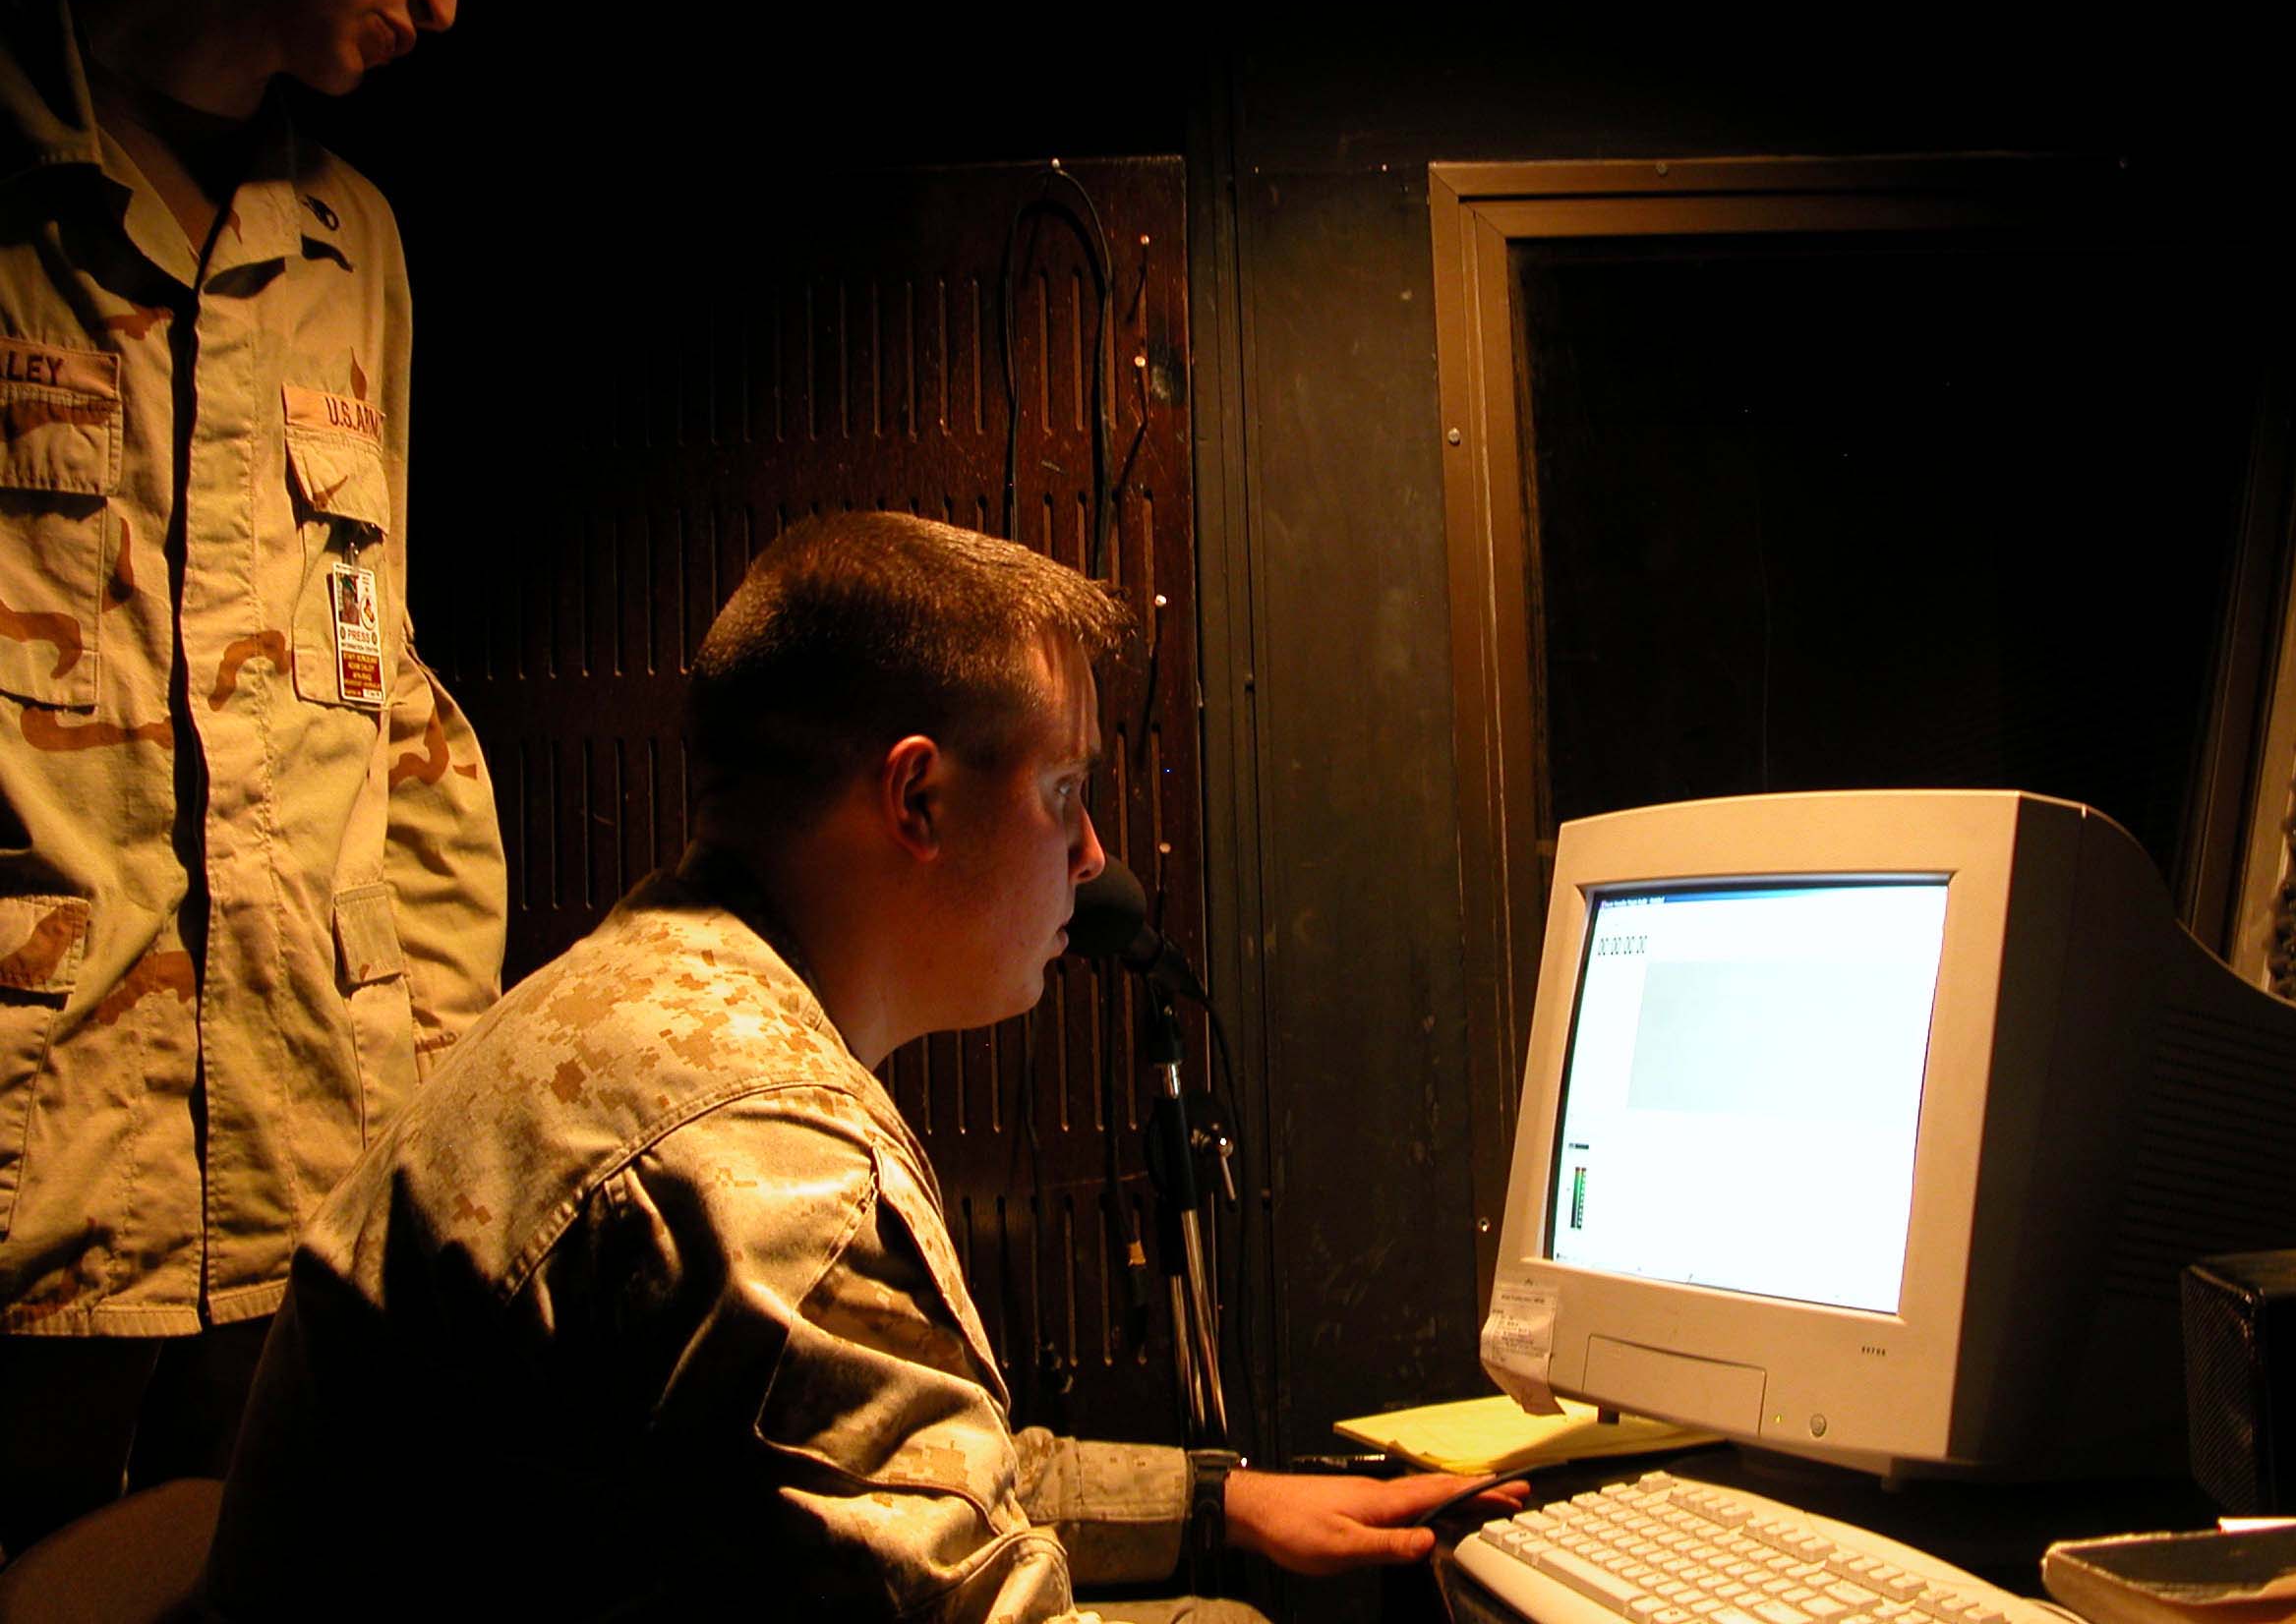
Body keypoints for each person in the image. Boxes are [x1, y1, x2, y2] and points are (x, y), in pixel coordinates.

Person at [207, 511, 1515, 1619]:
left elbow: (864, 1469)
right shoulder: (764, 1153)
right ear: (918, 801)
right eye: (1066, 791)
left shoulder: (640, 995)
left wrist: (1215, 1501)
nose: (1093, 857)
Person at [0, 0, 515, 1551]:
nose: (442, 1)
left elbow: (384, 691)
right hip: (42, 1168)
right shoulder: (20, 179)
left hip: (308, 1165)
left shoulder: (345, 243)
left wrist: (431, 1086)